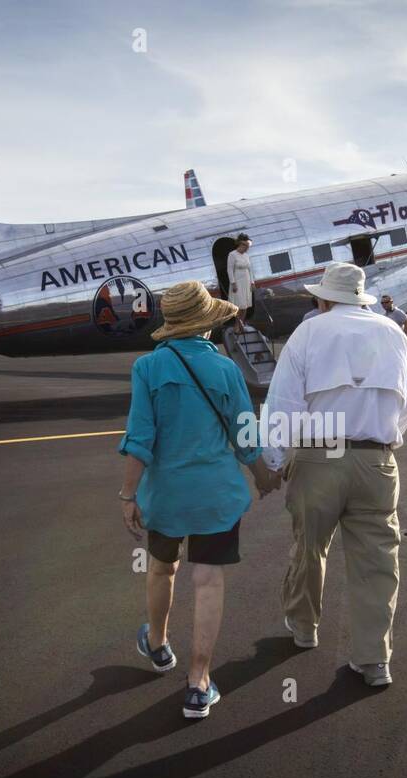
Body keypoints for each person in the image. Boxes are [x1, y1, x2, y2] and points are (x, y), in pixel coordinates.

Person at [119, 280, 280, 718]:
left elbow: (139, 439)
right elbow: (246, 436)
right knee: (207, 579)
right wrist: (264, 476)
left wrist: (127, 495)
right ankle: (198, 682)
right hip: (215, 496)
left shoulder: (147, 368)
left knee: (161, 568)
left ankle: (157, 646)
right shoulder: (227, 370)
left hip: (165, 496)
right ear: (208, 324)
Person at [262, 262, 407, 688]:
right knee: (378, 561)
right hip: (377, 460)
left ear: (324, 298)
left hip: (319, 458)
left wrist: (273, 460)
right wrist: (384, 441)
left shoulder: (309, 332)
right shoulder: (393, 334)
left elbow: (285, 403)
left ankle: (303, 627)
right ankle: (374, 659)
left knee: (309, 546)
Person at [226, 233, 255, 323]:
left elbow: (250, 270)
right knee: (240, 305)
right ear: (241, 244)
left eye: (248, 246)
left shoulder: (246, 255)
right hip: (238, 282)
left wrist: (252, 283)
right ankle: (237, 325)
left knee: (245, 305)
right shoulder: (232, 254)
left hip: (246, 282)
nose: (247, 248)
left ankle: (241, 323)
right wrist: (233, 283)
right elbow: (229, 269)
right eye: (246, 246)